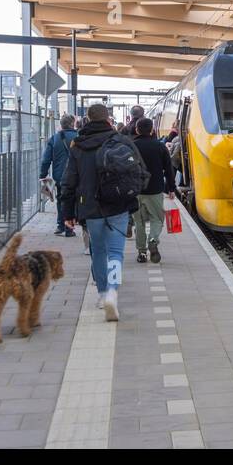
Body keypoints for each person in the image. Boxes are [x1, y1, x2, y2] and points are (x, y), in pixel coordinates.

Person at [60, 103, 143, 321]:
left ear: (87, 119)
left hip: (90, 207)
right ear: (108, 119)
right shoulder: (122, 141)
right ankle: (113, 293)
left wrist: (67, 213)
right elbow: (140, 172)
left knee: (98, 251)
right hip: (118, 205)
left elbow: (68, 182)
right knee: (115, 253)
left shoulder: (77, 146)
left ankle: (102, 293)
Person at [131, 117, 175, 264]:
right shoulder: (160, 146)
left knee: (139, 222)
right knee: (157, 219)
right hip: (155, 190)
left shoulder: (131, 146)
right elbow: (168, 169)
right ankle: (153, 240)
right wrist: (171, 188)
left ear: (137, 129)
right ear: (151, 130)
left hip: (136, 191)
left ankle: (141, 253)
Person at [40, 114, 79, 236]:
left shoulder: (55, 138)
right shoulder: (79, 137)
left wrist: (43, 174)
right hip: (77, 175)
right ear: (73, 124)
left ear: (61, 125)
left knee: (61, 200)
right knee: (73, 200)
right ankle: (70, 228)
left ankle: (61, 225)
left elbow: (46, 159)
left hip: (60, 176)